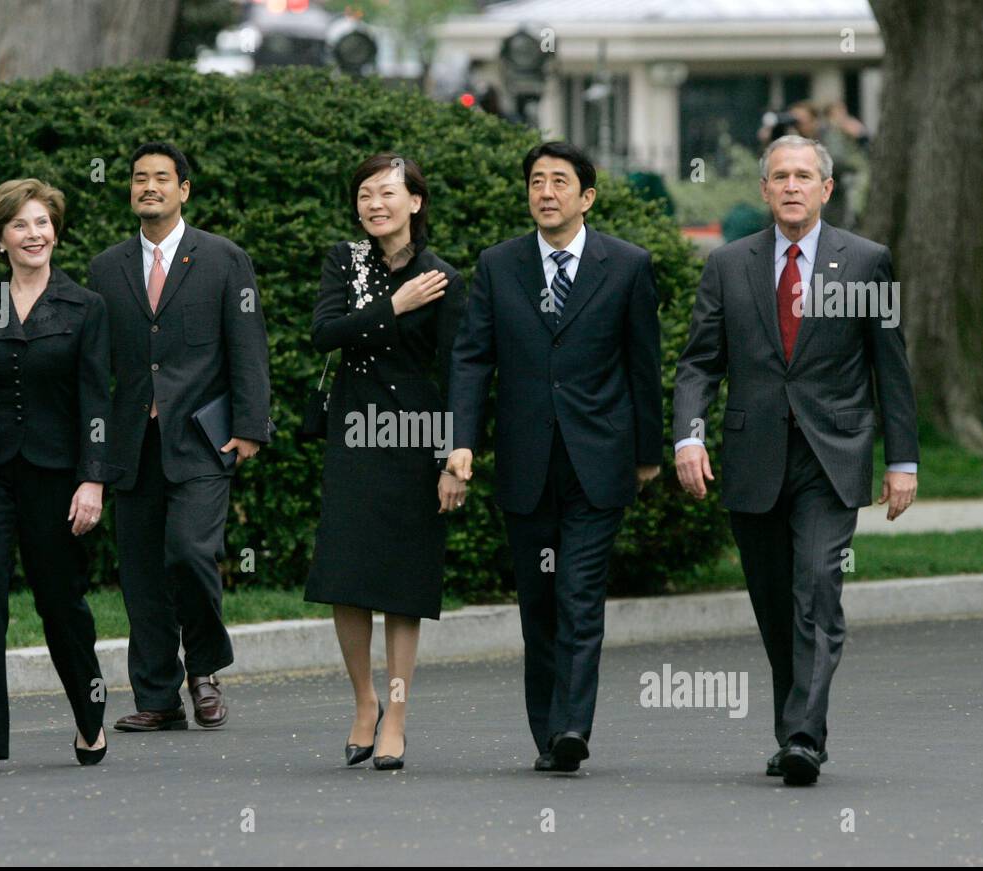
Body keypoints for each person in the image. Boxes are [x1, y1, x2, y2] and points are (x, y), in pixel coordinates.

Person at [672, 134, 920, 786]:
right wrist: (689, 436)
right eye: (779, 175)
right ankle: (794, 731)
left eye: (803, 176)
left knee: (816, 590)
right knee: (777, 605)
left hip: (831, 458)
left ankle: (805, 737)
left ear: (826, 189)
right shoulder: (728, 265)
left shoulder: (865, 262)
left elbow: (889, 367)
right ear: (764, 189)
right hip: (754, 459)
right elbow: (700, 362)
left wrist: (904, 461)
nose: (790, 186)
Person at [446, 141, 663, 773]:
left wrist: (647, 451)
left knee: (579, 595)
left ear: (586, 196)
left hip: (599, 462)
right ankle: (547, 732)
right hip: (525, 461)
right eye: (537, 182)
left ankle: (572, 726)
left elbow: (641, 366)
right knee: (538, 601)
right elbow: (471, 358)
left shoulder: (625, 265)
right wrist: (461, 439)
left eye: (560, 182)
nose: (546, 192)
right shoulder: (499, 265)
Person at [0, 177, 116, 772]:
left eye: (42, 223)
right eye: (20, 225)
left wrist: (93, 480)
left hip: (55, 474)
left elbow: (96, 402)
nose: (34, 234)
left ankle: (90, 721)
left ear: (54, 231)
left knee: (60, 602)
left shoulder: (86, 306)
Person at [89, 142, 271, 733]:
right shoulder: (105, 268)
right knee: (141, 574)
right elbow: (95, 367)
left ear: (184, 189)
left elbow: (247, 348)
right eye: (139, 178)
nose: (149, 187)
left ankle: (206, 670)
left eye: (162, 178)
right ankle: (157, 699)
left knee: (191, 554)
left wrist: (250, 428)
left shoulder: (223, 259)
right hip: (130, 445)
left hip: (201, 441)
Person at [303, 152, 467, 771]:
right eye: (364, 194)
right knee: (346, 577)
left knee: (403, 587)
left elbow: (458, 373)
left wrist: (454, 459)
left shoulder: (443, 277)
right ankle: (364, 702)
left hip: (416, 438)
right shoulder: (345, 262)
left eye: (386, 193)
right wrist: (393, 307)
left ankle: (396, 713)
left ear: (415, 202)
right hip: (355, 432)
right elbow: (325, 333)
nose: (374, 204)